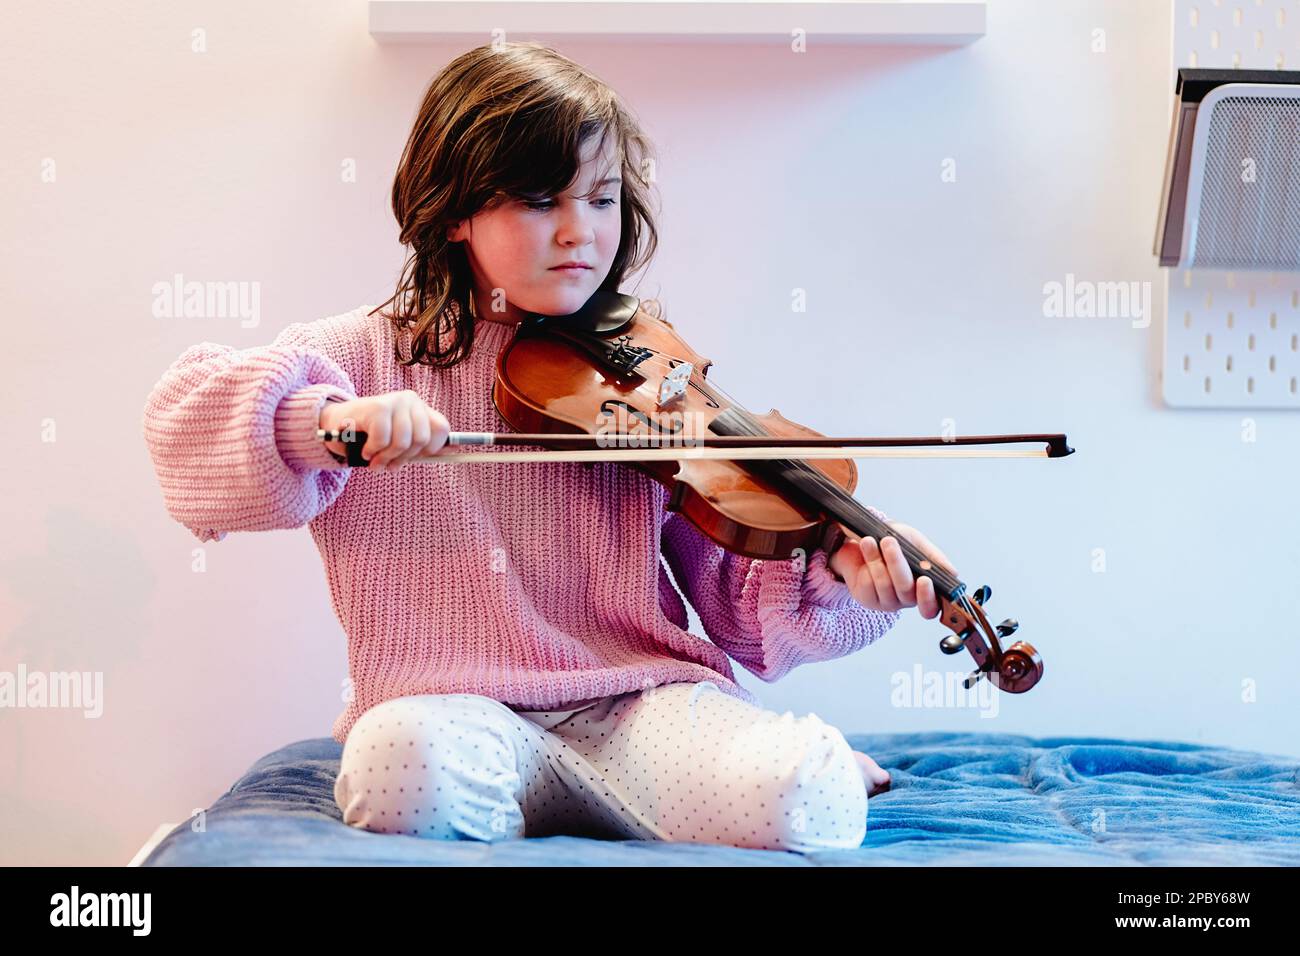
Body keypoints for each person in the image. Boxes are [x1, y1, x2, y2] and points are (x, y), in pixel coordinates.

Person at [142, 41, 958, 853]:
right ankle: (587, 803)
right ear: (454, 210)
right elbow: (183, 429)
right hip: (449, 706)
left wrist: (834, 572)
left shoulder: (645, 372)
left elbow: (735, 606)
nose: (580, 232)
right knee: (398, 764)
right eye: (540, 201)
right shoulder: (359, 356)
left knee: (809, 794)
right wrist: (324, 427)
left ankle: (664, 786)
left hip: (636, 702)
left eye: (601, 200)